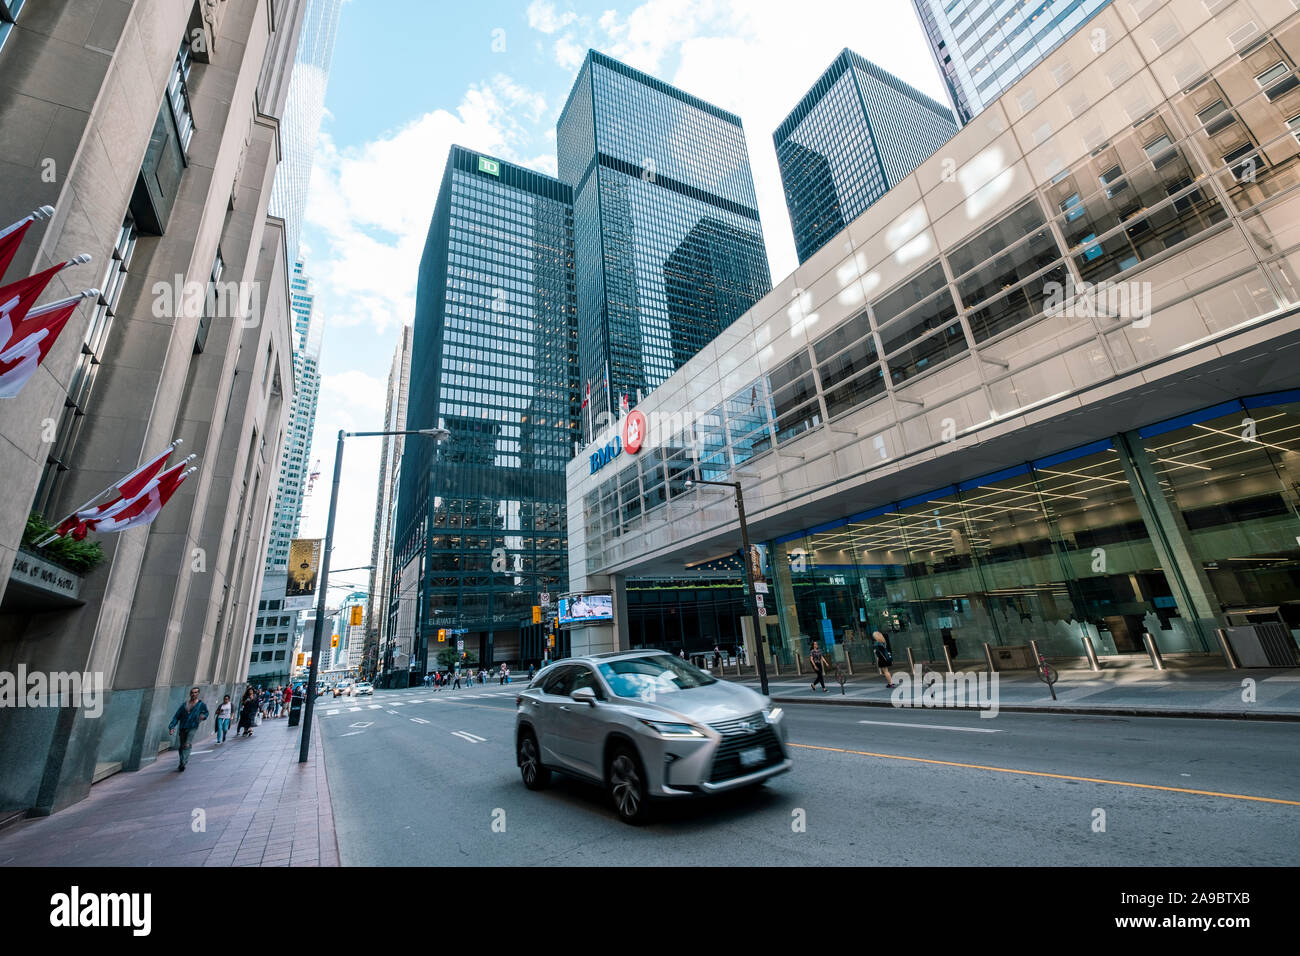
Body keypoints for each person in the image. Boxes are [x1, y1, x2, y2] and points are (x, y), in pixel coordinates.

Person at [168, 686, 209, 771]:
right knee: (182, 746)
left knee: (187, 744)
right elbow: (177, 716)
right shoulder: (184, 705)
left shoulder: (201, 705)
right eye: (192, 692)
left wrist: (203, 716)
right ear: (190, 694)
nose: (193, 694)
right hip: (183, 727)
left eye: (195, 692)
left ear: (198, 694)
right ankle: (181, 761)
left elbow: (206, 713)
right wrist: (172, 726)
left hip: (193, 727)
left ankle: (183, 762)